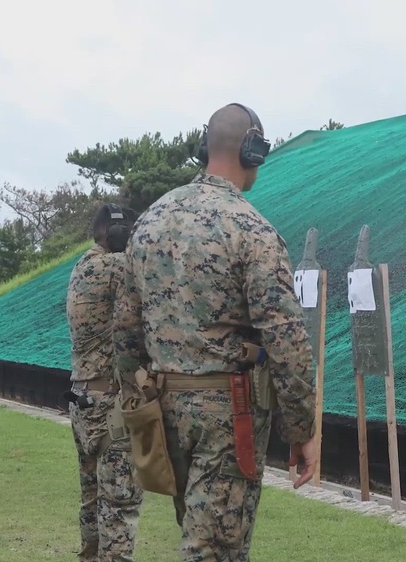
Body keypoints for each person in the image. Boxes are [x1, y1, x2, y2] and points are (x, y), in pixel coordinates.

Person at [114, 102, 319, 561]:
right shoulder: (251, 229)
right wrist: (302, 427)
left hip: (165, 408)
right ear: (254, 151)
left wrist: (138, 402)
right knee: (215, 551)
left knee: (195, 534)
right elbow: (286, 338)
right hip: (229, 415)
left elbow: (126, 331)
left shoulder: (147, 224)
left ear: (206, 146)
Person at [66, 203, 144, 562]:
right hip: (109, 405)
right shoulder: (117, 266)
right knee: (119, 505)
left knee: (91, 498)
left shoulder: (82, 266)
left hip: (81, 398)